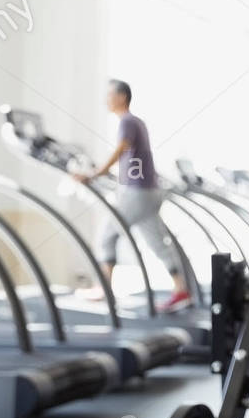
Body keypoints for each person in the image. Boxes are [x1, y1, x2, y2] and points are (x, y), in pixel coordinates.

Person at [72, 79, 190, 312]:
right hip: (150, 192)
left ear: (122, 97)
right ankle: (181, 290)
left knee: (107, 234)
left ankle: (103, 288)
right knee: (157, 243)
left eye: (109, 95)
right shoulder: (137, 122)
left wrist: (95, 174)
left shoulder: (126, 122)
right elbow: (130, 157)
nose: (106, 100)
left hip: (137, 192)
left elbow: (121, 149)